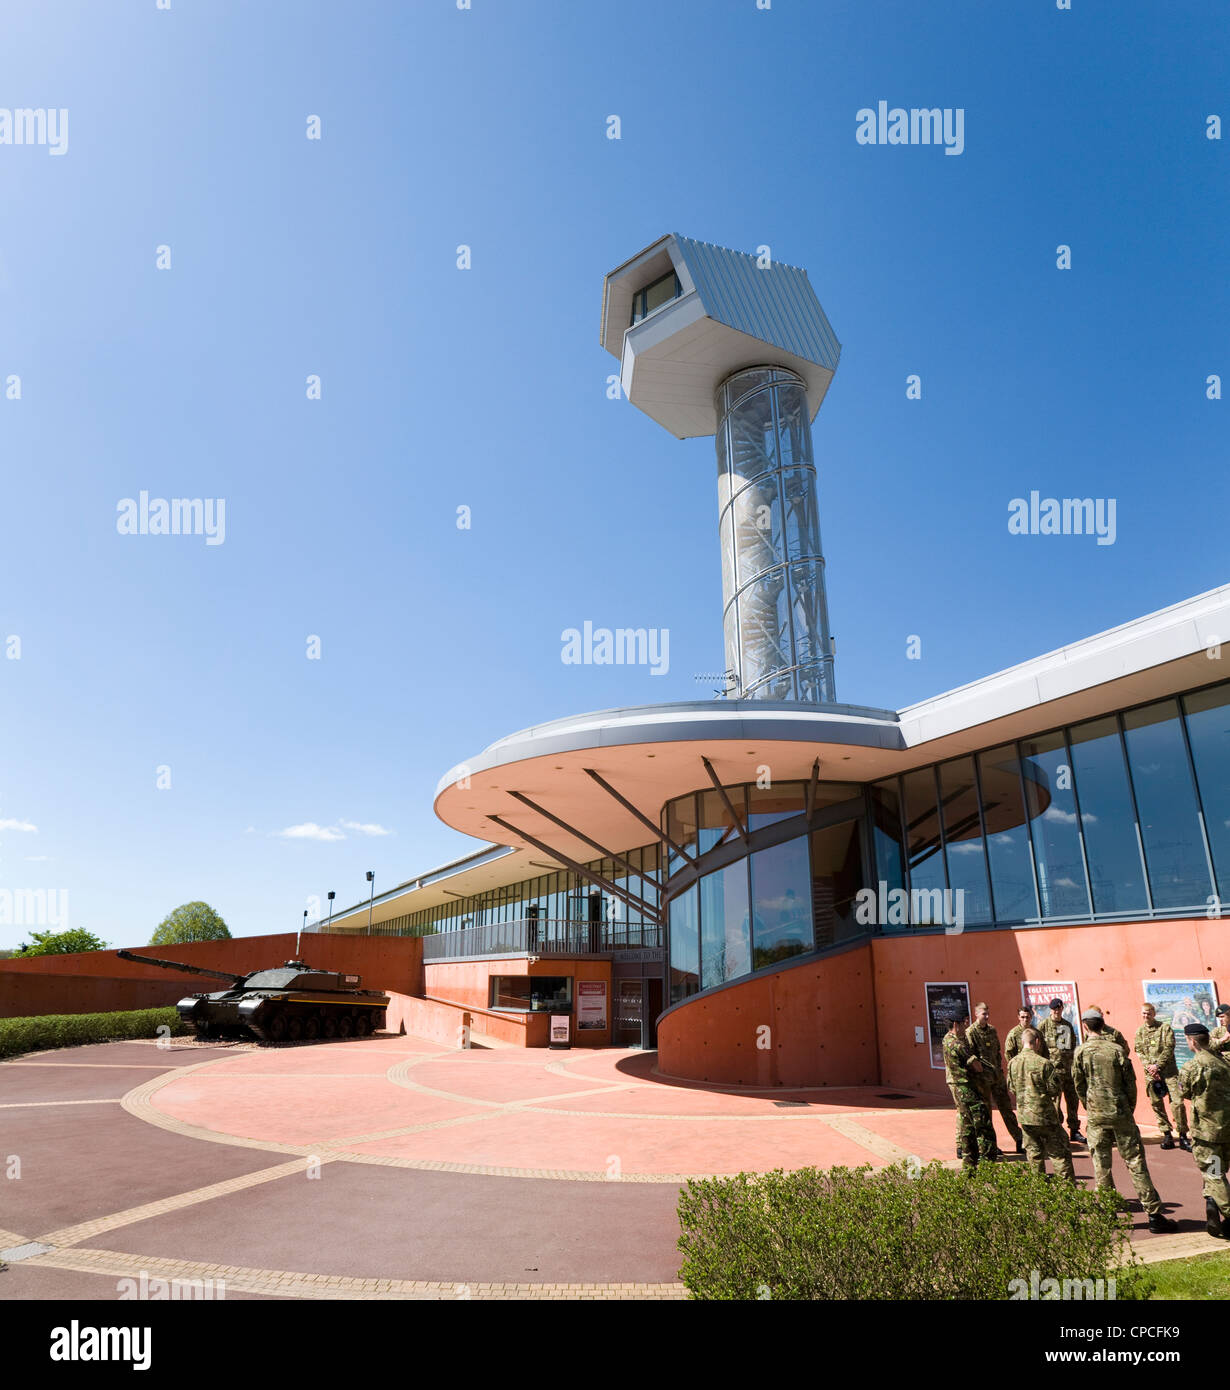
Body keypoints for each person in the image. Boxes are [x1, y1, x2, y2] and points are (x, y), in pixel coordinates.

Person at [1073, 1008, 1177, 1234]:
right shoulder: (1117, 1050)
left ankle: (1108, 1214)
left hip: (1096, 1115)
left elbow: (1079, 1086)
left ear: (1085, 1026)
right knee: (1136, 1162)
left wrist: (1090, 1105)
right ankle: (1154, 1215)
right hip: (1120, 1111)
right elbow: (1131, 1084)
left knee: (1101, 1166)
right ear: (1102, 1024)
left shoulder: (1080, 1052)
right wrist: (1128, 1108)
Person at [1177, 1022, 1230, 1239]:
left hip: (1207, 1134)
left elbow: (1184, 1092)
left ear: (1191, 1041)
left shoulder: (1191, 1067)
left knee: (1214, 1174)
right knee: (1217, 1172)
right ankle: (1211, 1205)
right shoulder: (1224, 1062)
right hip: (1226, 1128)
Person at [1006, 1028, 1075, 1181]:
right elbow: (1055, 1089)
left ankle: (1040, 1192)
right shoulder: (1044, 1063)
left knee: (1034, 1156)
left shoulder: (1012, 1063)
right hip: (1045, 1117)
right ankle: (1068, 1193)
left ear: (1023, 1042)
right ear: (1037, 1042)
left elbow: (1011, 1088)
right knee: (1059, 1155)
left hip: (1025, 1117)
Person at [966, 1001, 1024, 1155]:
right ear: (976, 1014)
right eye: (984, 1014)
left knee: (1007, 1109)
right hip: (982, 1079)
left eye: (988, 1013)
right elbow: (970, 1056)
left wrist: (999, 1069)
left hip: (997, 1076)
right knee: (986, 1113)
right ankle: (991, 1144)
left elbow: (997, 1051)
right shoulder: (971, 1032)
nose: (987, 1016)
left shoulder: (992, 1030)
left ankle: (1019, 1139)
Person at [1134, 1001, 1191, 1151]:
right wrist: (1149, 1067)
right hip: (1151, 1075)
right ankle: (1167, 1134)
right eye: (1144, 1013)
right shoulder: (1140, 1031)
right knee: (1157, 1104)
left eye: (1149, 1013)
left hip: (1169, 1072)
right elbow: (1139, 1051)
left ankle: (1183, 1135)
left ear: (1154, 1013)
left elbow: (1169, 1047)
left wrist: (1157, 1065)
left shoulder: (1164, 1028)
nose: (1146, 1016)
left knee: (1177, 1103)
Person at [942, 1015, 996, 1171]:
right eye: (962, 1024)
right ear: (955, 1024)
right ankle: (987, 1165)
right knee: (982, 1126)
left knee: (966, 1125)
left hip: (959, 1087)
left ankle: (968, 1165)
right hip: (968, 1089)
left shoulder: (946, 1039)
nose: (965, 1027)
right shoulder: (959, 1045)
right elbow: (977, 1066)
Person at [1039, 998, 1084, 1143]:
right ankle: (1056, 1131)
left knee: (1072, 1101)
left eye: (1059, 1009)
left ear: (1062, 1008)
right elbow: (1038, 1048)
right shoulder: (1043, 1026)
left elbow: (1072, 1045)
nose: (1057, 1012)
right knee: (1055, 1103)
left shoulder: (1067, 1025)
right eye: (1054, 1009)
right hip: (1053, 1073)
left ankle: (1074, 1130)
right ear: (1050, 1010)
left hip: (1068, 1070)